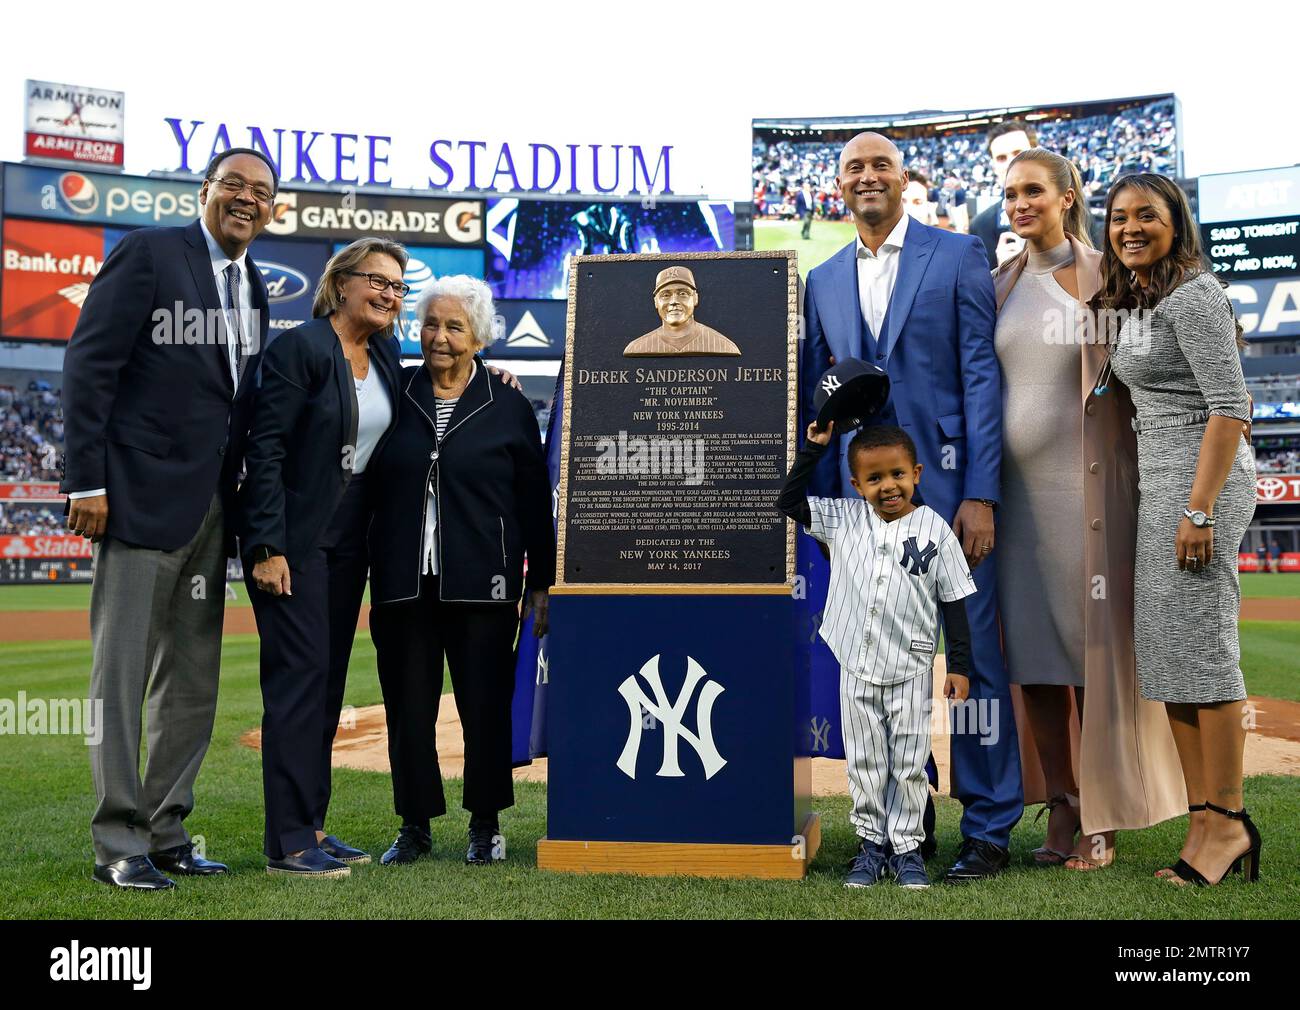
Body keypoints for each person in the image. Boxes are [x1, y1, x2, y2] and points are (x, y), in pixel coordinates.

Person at [802, 132, 1022, 882]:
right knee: (879, 661)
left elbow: (981, 375)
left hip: (951, 488)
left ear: (903, 179)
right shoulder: (823, 278)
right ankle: (907, 823)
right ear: (839, 185)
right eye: (854, 168)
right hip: (860, 502)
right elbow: (821, 402)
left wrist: (982, 493)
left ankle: (988, 825)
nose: (868, 176)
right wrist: (828, 504)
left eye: (881, 166)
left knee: (972, 657)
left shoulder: (957, 255)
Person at [62, 147, 277, 890]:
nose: (247, 199)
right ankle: (117, 841)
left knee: (191, 680)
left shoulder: (254, 287)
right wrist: (86, 481)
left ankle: (165, 830)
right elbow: (90, 364)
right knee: (121, 677)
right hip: (136, 498)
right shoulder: (151, 253)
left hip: (213, 506)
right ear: (205, 190)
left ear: (272, 209)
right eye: (234, 184)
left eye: (261, 192)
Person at [992, 149, 1184, 871]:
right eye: (1011, 193)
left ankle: (1102, 811)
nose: (1020, 204)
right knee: (1033, 661)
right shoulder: (1000, 282)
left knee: (1086, 660)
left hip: (1088, 496)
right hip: (1014, 503)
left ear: (1067, 196)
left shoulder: (1109, 276)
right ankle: (1063, 803)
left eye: (1033, 191)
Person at [1097, 173, 1261, 886]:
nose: (1130, 228)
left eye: (1146, 216)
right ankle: (1204, 820)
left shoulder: (1194, 294)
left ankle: (1228, 823)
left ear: (1176, 223)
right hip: (1163, 484)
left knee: (1203, 653)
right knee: (1172, 658)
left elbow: (1229, 406)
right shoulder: (1142, 297)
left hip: (1198, 488)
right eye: (1118, 217)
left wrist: (1199, 509)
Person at [366, 275, 555, 866]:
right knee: (408, 709)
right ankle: (414, 825)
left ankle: (485, 824)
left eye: (455, 326)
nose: (440, 337)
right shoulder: (395, 390)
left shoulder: (508, 402)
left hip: (484, 584)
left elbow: (533, 499)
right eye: (431, 324)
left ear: (479, 337)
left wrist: (541, 583)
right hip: (403, 582)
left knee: (484, 708)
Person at [238, 238, 410, 877]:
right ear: (341, 284)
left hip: (352, 538)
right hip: (296, 537)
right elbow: (266, 449)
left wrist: (488, 373)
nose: (389, 294)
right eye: (378, 281)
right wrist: (267, 546)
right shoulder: (301, 348)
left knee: (328, 681)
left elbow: (416, 403)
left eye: (398, 286)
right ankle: (287, 843)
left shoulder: (385, 353)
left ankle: (311, 824)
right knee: (299, 681)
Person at [780, 422, 976, 889]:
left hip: (912, 666)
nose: (888, 485)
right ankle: (871, 847)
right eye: (874, 478)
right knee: (865, 762)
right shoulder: (843, 518)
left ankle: (907, 850)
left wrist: (960, 666)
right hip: (857, 663)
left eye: (897, 474)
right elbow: (788, 501)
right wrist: (814, 448)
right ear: (856, 484)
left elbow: (954, 602)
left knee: (908, 764)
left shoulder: (935, 530)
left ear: (917, 473)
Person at [623, 266, 741, 357]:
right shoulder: (637, 347)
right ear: (656, 302)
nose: (674, 301)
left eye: (683, 293)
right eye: (665, 295)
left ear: (695, 298)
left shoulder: (722, 345)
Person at [969, 120, 1038, 269]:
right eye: (1001, 158)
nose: (1011, 163)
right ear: (994, 167)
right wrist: (1003, 274)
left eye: (1018, 153)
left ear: (1039, 156)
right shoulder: (980, 226)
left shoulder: (1072, 212)